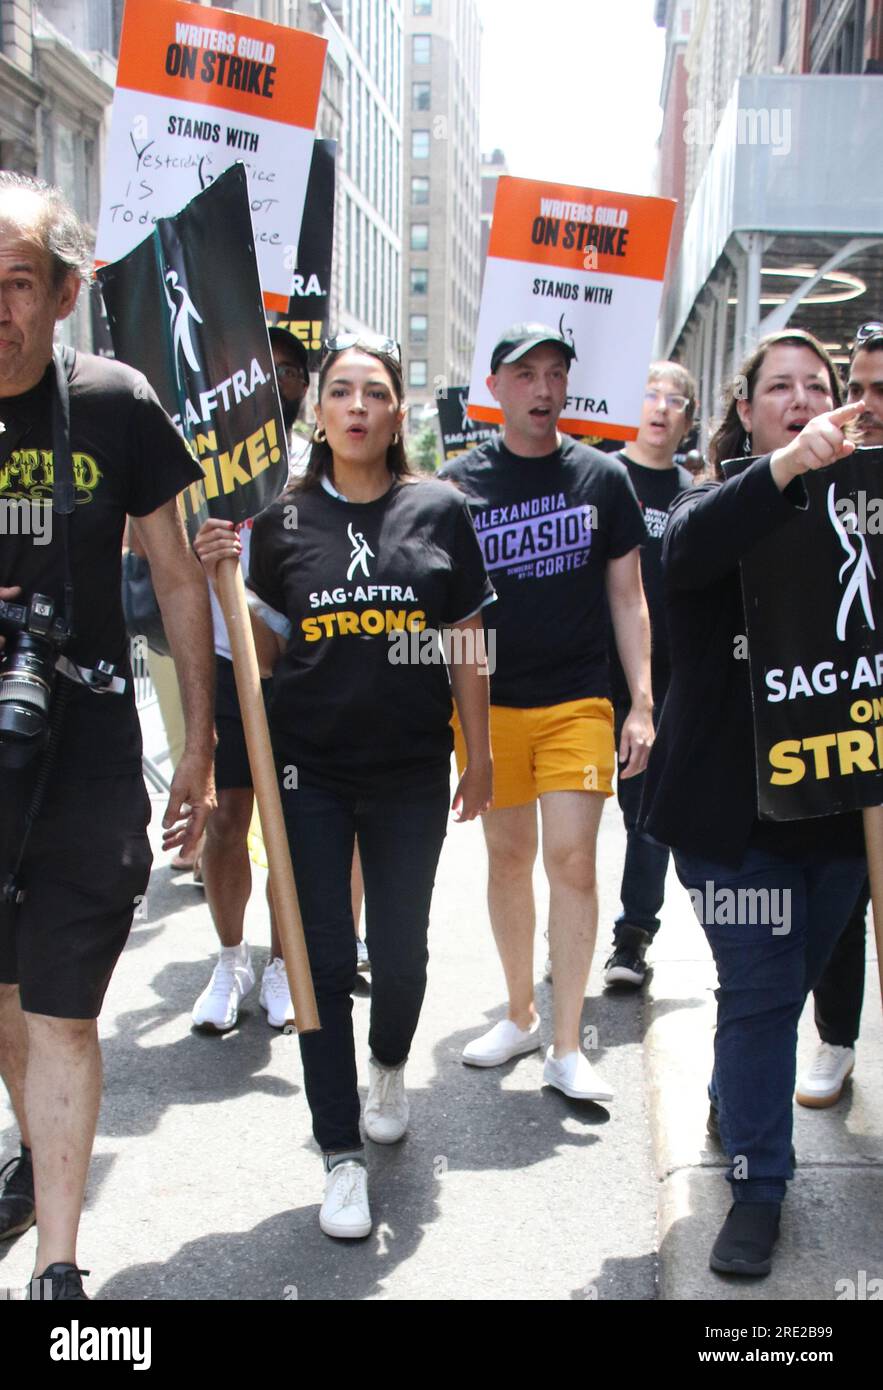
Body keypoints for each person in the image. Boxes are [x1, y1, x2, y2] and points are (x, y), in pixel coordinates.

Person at [194, 332, 494, 1239]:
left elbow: (467, 642)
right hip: (307, 775)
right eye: (340, 392)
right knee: (321, 966)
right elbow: (269, 653)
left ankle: (390, 1066)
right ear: (316, 413)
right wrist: (224, 580)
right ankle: (338, 1154)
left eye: (374, 392)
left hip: (409, 771)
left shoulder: (440, 509)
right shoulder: (280, 524)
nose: (358, 406)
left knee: (399, 959)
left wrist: (477, 754)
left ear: (398, 411)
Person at [0, 173, 215, 1298]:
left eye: (18, 284)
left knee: (63, 1007)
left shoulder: (120, 401)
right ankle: (42, 1159)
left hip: (81, 746)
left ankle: (59, 1263)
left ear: (66, 293)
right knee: (6, 1001)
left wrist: (199, 743)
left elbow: (177, 577)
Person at [640, 329, 868, 1276]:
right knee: (765, 993)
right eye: (780, 387)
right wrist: (783, 471)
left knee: (798, 974)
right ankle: (757, 1187)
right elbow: (687, 549)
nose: (802, 399)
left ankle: (738, 1102)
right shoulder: (710, 503)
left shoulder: (868, 510)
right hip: (735, 820)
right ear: (745, 411)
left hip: (842, 810)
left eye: (817, 386)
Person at [441, 323, 652, 1100]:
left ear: (567, 387)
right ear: (494, 386)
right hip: (489, 708)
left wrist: (642, 704)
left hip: (578, 702)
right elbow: (438, 607)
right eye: (524, 373)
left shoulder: (601, 478)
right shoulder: (455, 485)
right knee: (505, 859)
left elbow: (627, 598)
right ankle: (521, 1013)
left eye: (554, 373)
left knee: (570, 860)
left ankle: (567, 1044)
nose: (541, 388)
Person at [191, 326, 311, 1032]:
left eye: (291, 370)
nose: (275, 382)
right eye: (262, 369)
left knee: (292, 828)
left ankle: (279, 964)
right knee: (226, 819)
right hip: (221, 665)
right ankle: (230, 957)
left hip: (298, 673)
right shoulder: (198, 453)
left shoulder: (313, 458)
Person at [796, 320, 883, 1106]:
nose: (864, 405)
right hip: (842, 720)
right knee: (843, 891)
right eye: (854, 387)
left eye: (879, 390)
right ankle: (835, 1040)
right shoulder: (825, 478)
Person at [603, 361, 696, 988]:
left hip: (664, 683)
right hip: (588, 672)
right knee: (575, 814)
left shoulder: (696, 492)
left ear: (689, 418)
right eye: (649, 395)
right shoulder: (604, 475)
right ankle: (566, 922)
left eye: (675, 400)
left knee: (647, 812)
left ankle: (633, 936)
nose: (661, 408)